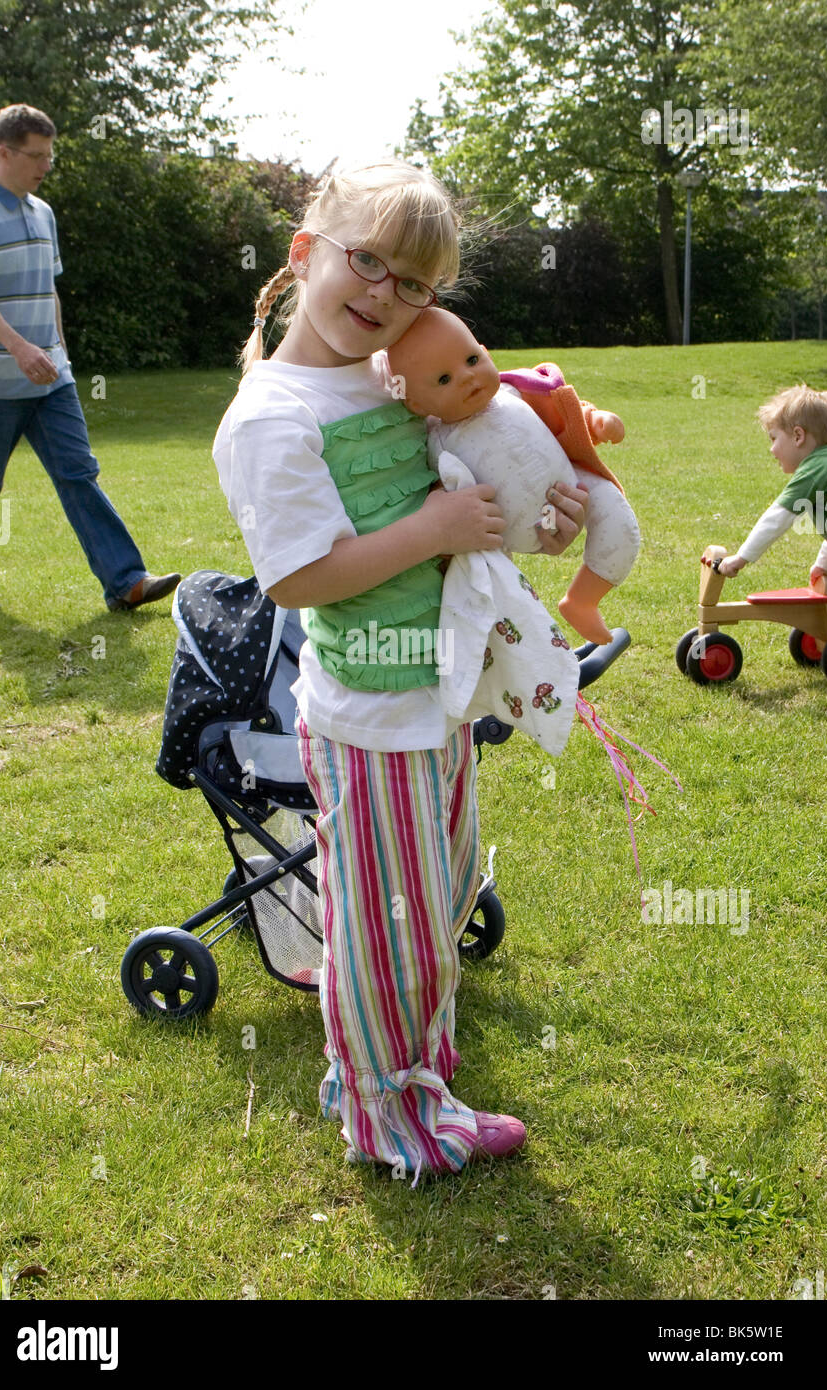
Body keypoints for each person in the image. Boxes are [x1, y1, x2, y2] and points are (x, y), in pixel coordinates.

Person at [212, 160, 588, 1182]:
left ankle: (404, 1064)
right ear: (303, 257)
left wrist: (539, 517)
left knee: (441, 894)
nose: (383, 293)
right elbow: (295, 577)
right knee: (390, 927)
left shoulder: (386, 372)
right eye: (364, 260)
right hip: (368, 715)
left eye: (413, 283)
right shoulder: (272, 413)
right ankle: (391, 1114)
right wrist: (429, 527)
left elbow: (472, 490)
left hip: (438, 693)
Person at [0, 104, 180, 611]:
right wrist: (19, 349)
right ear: (4, 152)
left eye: (49, 156)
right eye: (37, 155)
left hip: (51, 380)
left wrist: (59, 355)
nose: (45, 166)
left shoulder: (44, 213)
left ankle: (126, 582)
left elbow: (49, 292)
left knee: (78, 472)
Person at [387, 306, 640, 644]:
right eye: (444, 379)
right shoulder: (436, 443)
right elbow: (438, 496)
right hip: (506, 534)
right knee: (496, 592)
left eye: (472, 360)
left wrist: (594, 421)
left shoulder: (512, 392)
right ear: (417, 405)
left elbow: (559, 412)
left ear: (485, 352)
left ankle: (583, 599)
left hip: (570, 491)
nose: (466, 376)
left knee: (617, 515)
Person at [716, 385, 827, 587]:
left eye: (774, 438)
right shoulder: (826, 466)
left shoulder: (814, 469)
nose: (772, 449)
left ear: (798, 436)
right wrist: (824, 563)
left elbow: (778, 516)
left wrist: (741, 558)